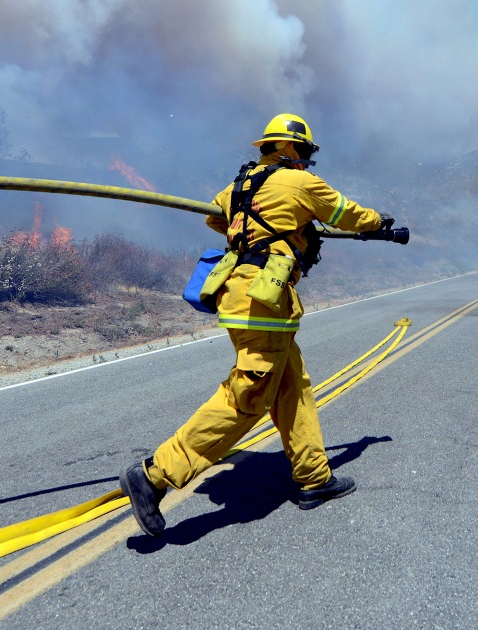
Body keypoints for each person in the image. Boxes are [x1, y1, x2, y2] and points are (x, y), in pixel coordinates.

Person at [119, 113, 395, 537]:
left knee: (292, 386)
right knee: (246, 397)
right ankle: (154, 475)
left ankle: (313, 478)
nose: (305, 161)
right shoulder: (300, 184)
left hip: (239, 294)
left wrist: (269, 225)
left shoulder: (237, 187)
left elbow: (215, 217)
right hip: (263, 302)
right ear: (291, 149)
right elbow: (347, 214)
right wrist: (381, 225)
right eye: (303, 152)